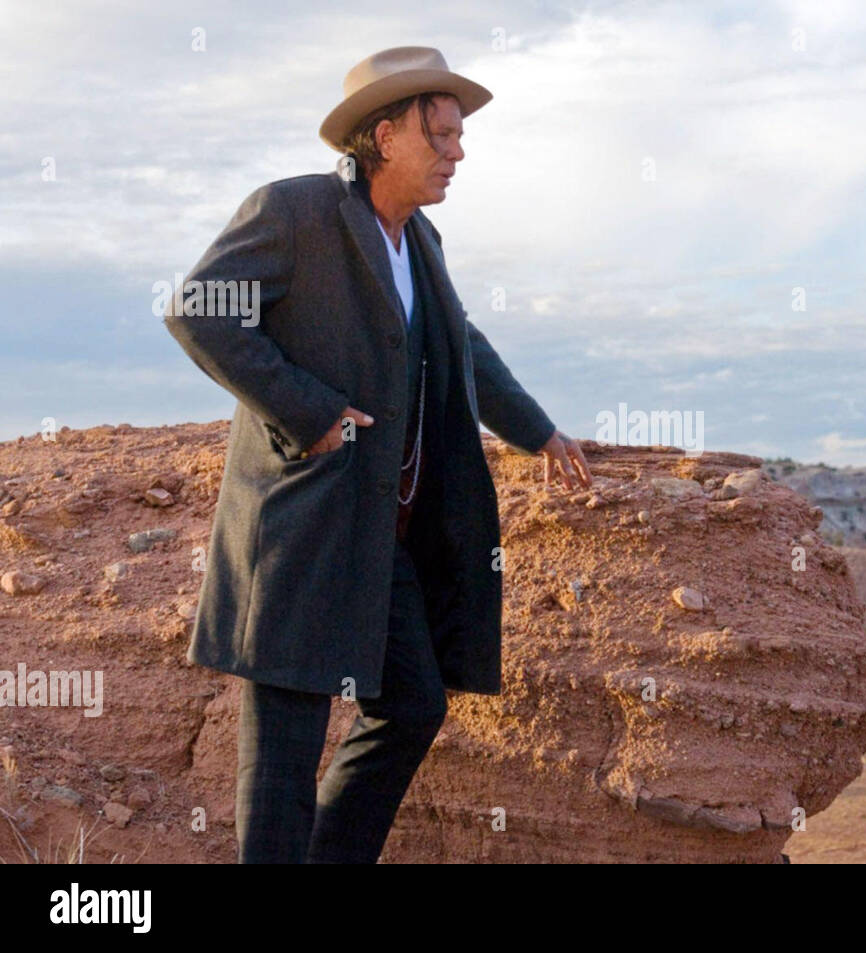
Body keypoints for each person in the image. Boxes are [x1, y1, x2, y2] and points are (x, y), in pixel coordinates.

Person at [163, 45, 591, 863]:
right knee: (283, 761)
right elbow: (199, 310)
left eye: (460, 137)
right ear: (385, 135)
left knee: (414, 703)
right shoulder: (294, 213)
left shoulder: (419, 239)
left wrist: (536, 429)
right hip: (296, 529)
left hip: (376, 538)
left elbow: (461, 344)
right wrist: (310, 413)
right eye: (443, 135)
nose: (458, 153)